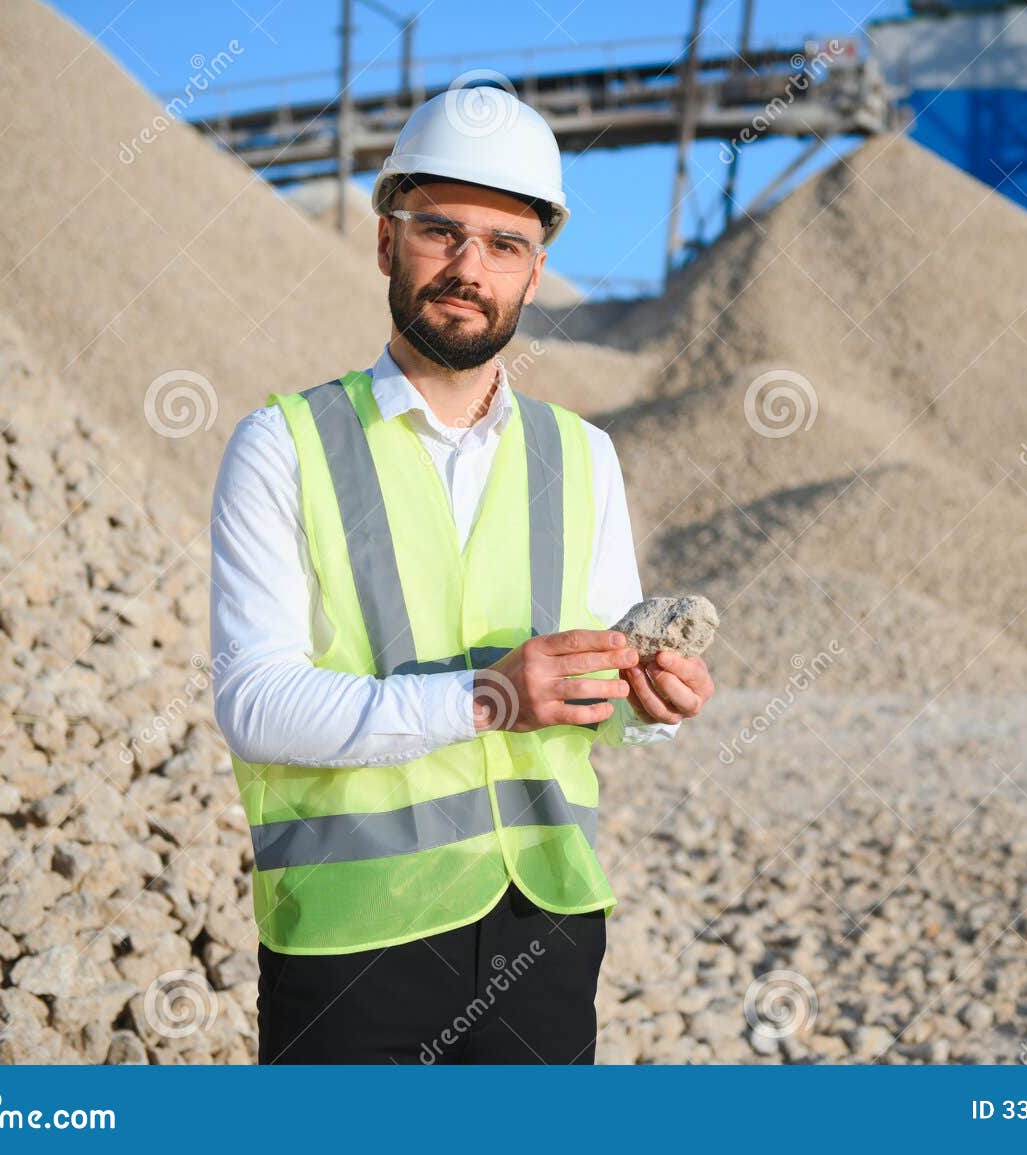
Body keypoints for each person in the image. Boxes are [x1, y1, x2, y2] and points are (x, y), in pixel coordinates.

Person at [209, 85, 715, 1064]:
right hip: (353, 940)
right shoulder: (284, 444)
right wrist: (486, 697)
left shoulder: (583, 456)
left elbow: (589, 703)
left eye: (504, 244)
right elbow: (255, 703)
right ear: (385, 241)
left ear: (534, 272)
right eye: (440, 231)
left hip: (547, 926)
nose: (469, 268)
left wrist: (646, 705)